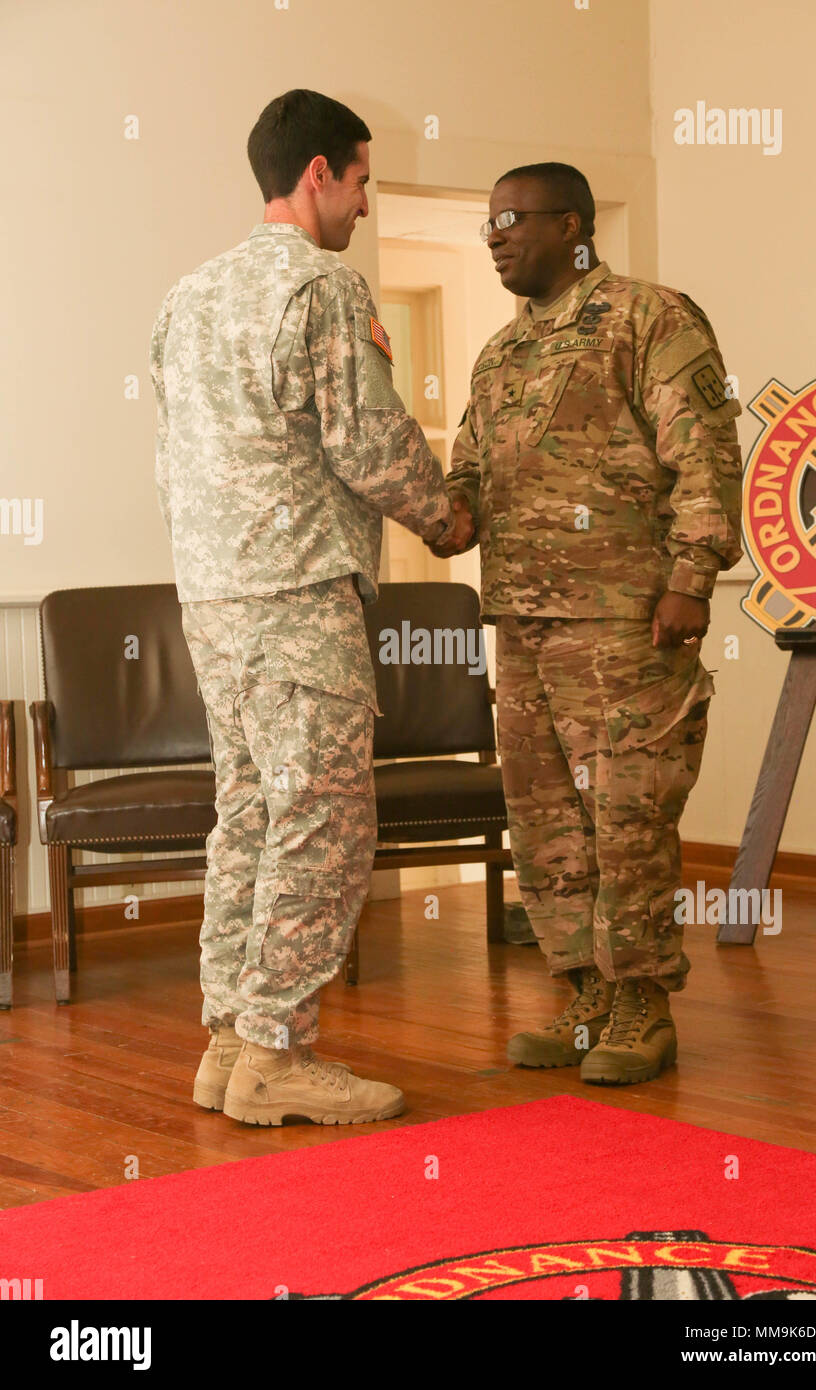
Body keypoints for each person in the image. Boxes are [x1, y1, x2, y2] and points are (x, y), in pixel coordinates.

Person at [150, 89, 473, 1126]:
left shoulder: (186, 297)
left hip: (212, 599)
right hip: (296, 595)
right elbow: (370, 445)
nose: (368, 205)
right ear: (319, 173)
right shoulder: (321, 288)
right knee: (323, 824)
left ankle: (230, 1043)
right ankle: (279, 1052)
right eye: (364, 179)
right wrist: (451, 520)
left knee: (249, 813)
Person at [431, 162, 742, 1084]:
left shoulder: (653, 318)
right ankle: (585, 996)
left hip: (626, 619)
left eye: (512, 219)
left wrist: (692, 575)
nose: (494, 235)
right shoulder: (497, 356)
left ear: (573, 226)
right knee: (545, 820)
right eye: (487, 222)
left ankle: (643, 1003)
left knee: (629, 814)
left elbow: (707, 453)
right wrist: (434, 507)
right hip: (522, 622)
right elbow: (470, 478)